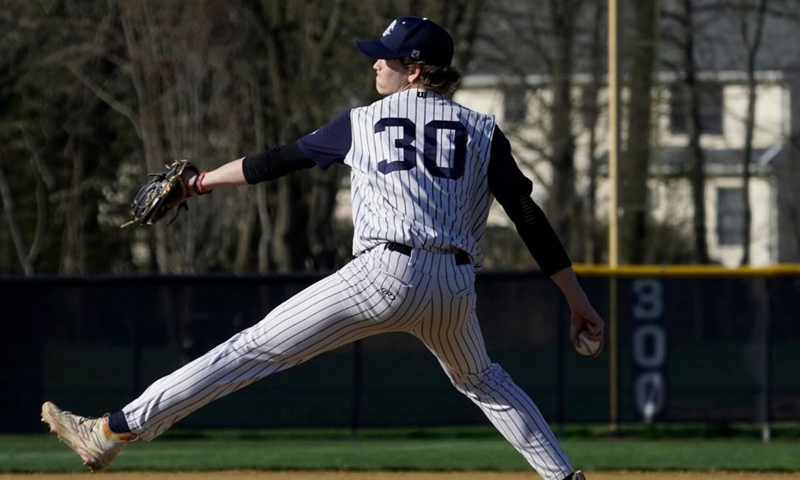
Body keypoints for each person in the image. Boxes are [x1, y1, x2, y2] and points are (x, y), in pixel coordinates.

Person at [42, 16, 604, 480]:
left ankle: (111, 432)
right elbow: (527, 215)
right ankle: (564, 477)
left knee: (249, 350)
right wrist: (576, 300)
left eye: (386, 57)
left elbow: (277, 161)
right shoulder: (483, 130)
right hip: (454, 286)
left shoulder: (362, 122)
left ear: (416, 71)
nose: (375, 63)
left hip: (382, 274)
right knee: (482, 379)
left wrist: (198, 183)